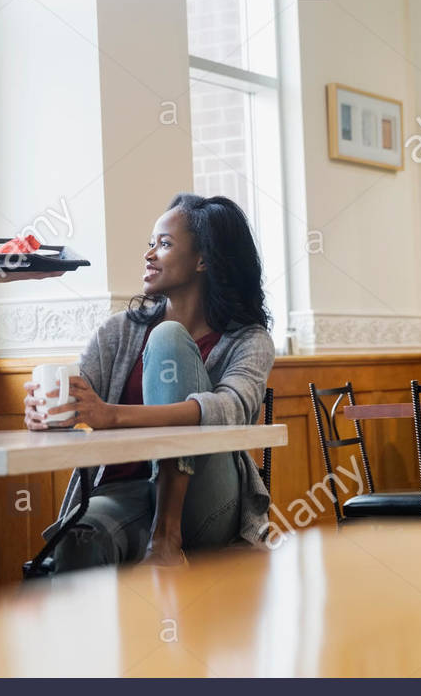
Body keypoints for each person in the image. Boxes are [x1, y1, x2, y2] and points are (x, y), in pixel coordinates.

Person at [25, 194, 274, 570]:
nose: (149, 254)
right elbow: (82, 404)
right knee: (79, 539)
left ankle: (166, 535)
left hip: (208, 501)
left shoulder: (248, 340)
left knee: (168, 338)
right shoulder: (117, 332)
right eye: (150, 244)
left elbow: (233, 410)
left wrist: (113, 415)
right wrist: (48, 412)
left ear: (203, 259)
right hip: (125, 493)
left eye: (165, 244)